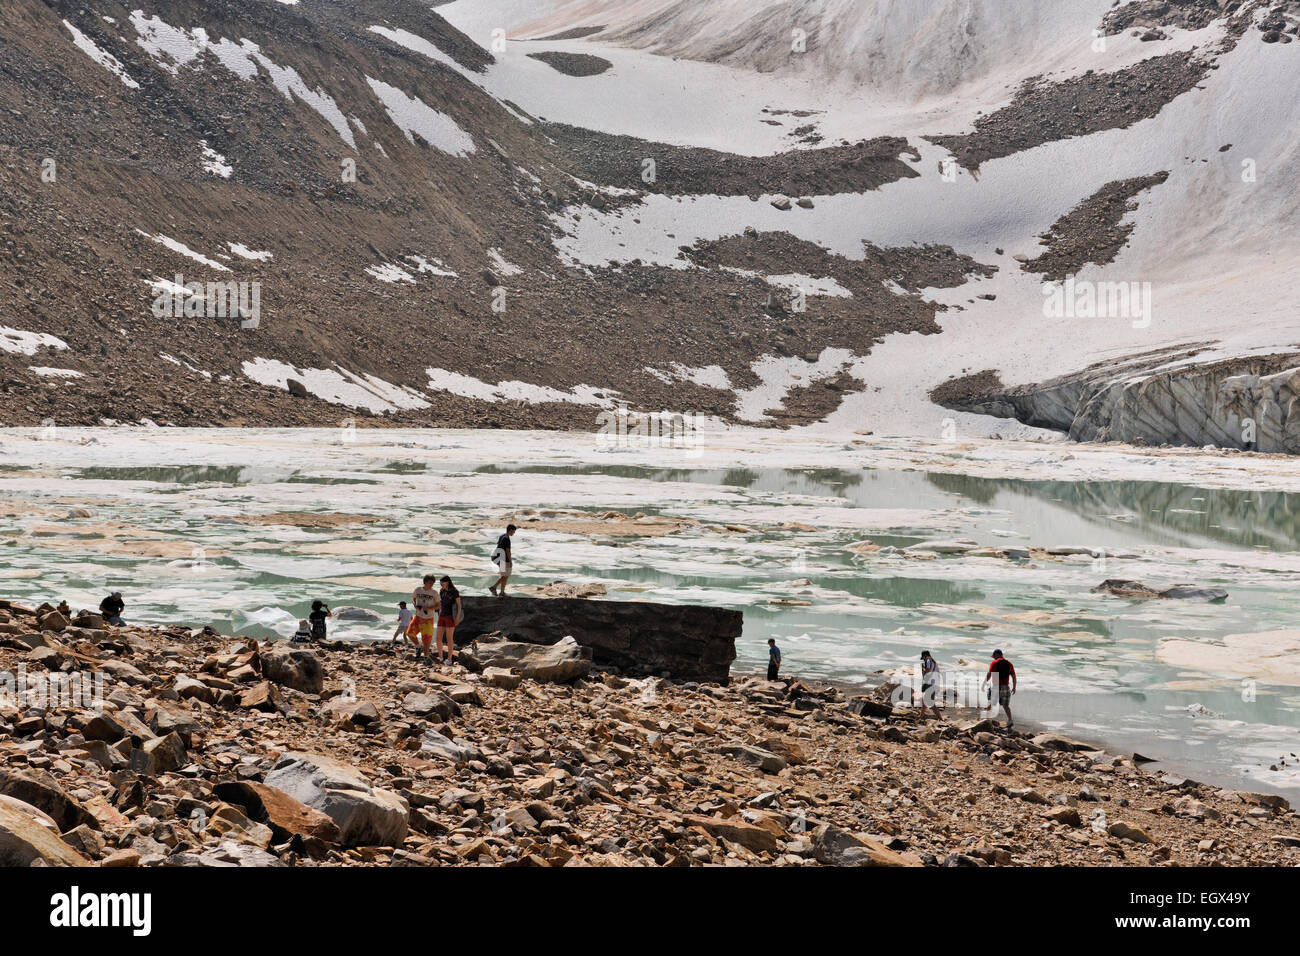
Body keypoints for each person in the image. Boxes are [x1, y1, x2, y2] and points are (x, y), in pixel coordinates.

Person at [982, 648, 1017, 728]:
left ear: (997, 655)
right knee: (1006, 706)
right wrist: (1014, 687)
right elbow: (1014, 676)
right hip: (1005, 687)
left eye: (994, 656)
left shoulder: (994, 662)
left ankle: (986, 719)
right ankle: (1010, 720)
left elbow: (989, 674)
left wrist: (984, 683)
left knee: (990, 702)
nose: (993, 657)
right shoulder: (1009, 663)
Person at [435, 575, 462, 666]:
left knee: (449, 638)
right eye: (440, 583)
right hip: (441, 616)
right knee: (438, 638)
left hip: (450, 616)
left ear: (448, 582)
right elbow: (440, 603)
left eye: (443, 582)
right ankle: (440, 657)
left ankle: (449, 660)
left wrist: (457, 617)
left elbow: (459, 605)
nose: (441, 584)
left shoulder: (454, 592)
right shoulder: (441, 591)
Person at [411, 574, 439, 661]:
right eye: (429, 582)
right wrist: (415, 605)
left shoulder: (434, 593)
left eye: (432, 583)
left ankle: (426, 657)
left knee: (426, 639)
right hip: (418, 616)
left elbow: (439, 606)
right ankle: (418, 647)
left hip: (428, 619)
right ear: (425, 582)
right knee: (410, 633)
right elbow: (413, 599)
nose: (431, 584)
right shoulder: (418, 590)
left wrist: (429, 608)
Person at [488, 524, 516, 596]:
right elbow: (507, 551)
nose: (514, 533)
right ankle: (498, 590)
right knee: (506, 575)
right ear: (510, 530)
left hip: (497, 557)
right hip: (502, 559)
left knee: (505, 575)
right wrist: (510, 561)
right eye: (513, 531)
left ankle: (498, 590)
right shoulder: (506, 538)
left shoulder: (502, 536)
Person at [919, 650, 943, 719]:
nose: (923, 659)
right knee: (925, 701)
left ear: (925, 656)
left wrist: (922, 668)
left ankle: (940, 718)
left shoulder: (928, 660)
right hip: (934, 683)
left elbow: (928, 671)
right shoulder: (934, 662)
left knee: (930, 702)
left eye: (923, 658)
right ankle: (921, 716)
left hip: (930, 683)